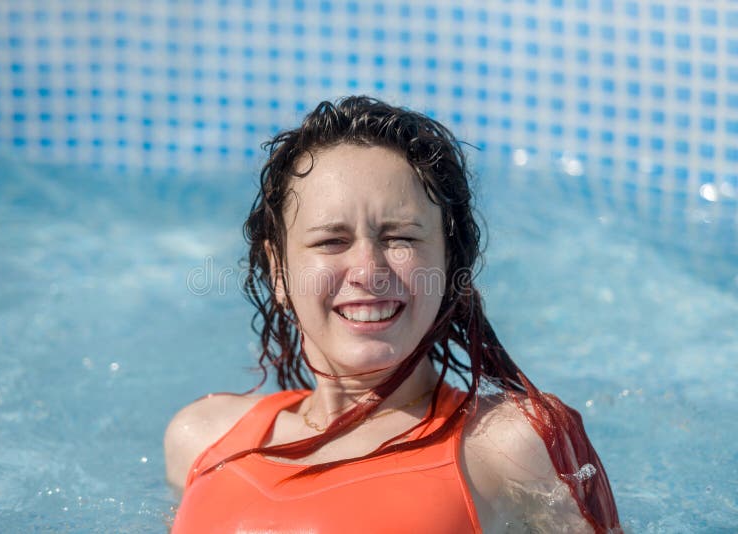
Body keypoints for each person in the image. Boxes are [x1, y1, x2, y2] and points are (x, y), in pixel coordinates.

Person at [164, 96, 621, 533]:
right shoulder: (200, 438)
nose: (368, 271)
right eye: (331, 241)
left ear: (450, 264)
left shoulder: (511, 445)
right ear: (279, 271)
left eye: (400, 237)